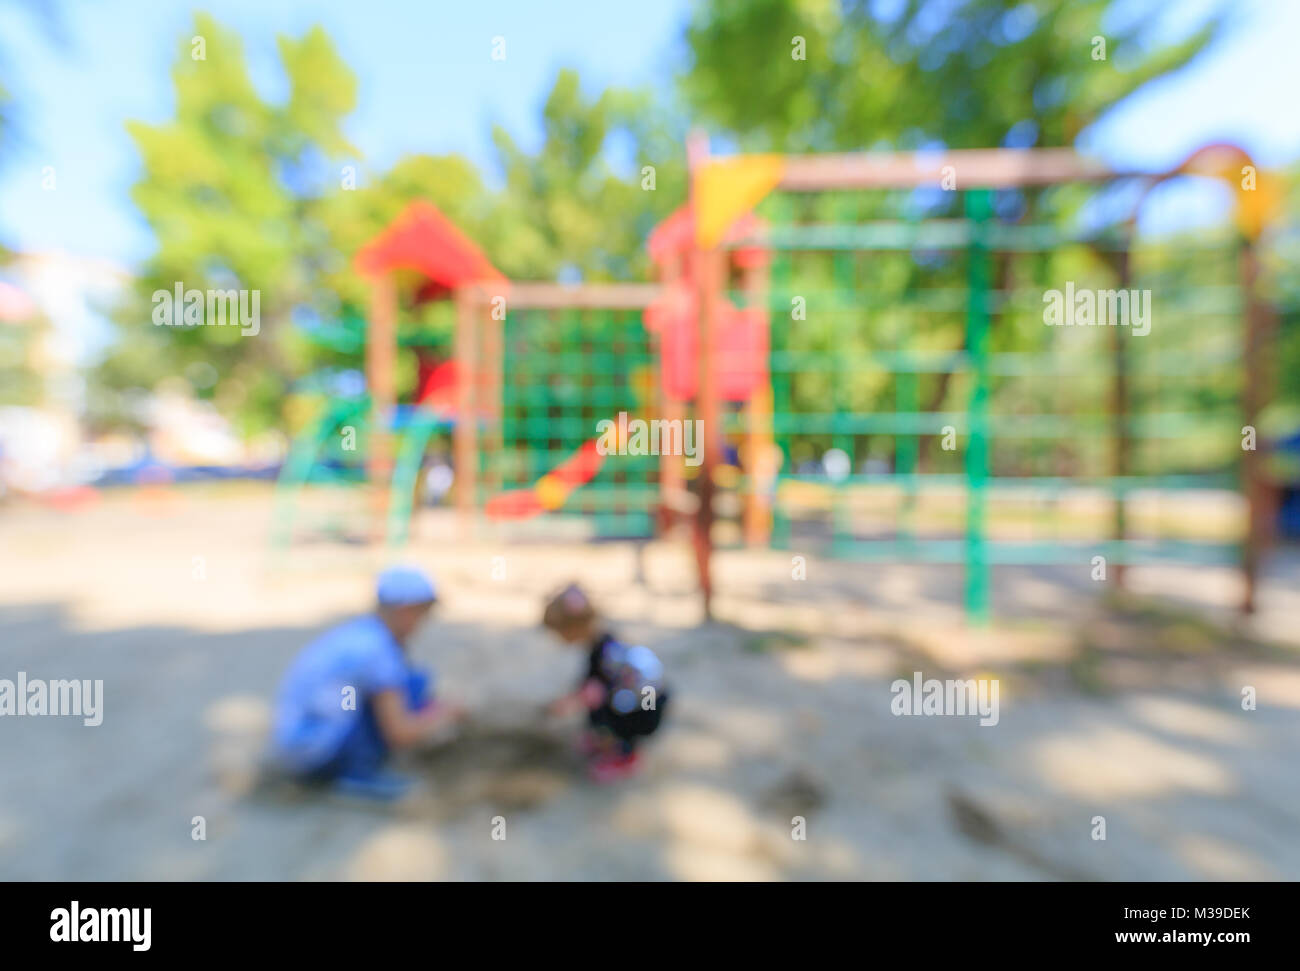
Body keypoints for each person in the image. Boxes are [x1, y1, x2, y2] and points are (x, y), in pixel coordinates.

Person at [270, 566, 463, 799]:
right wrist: (444, 715)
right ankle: (354, 774)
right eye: (422, 613)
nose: (424, 623)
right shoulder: (379, 650)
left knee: (413, 682)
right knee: (410, 689)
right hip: (316, 753)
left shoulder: (362, 633)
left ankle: (349, 766)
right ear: (405, 611)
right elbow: (399, 733)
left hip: (294, 743)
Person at [542, 583, 669, 782]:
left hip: (646, 709)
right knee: (594, 696)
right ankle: (605, 740)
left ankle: (625, 754)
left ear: (574, 628)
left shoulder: (609, 652)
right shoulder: (600, 644)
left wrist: (584, 698)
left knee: (597, 699)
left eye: (560, 633)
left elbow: (615, 687)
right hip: (641, 700)